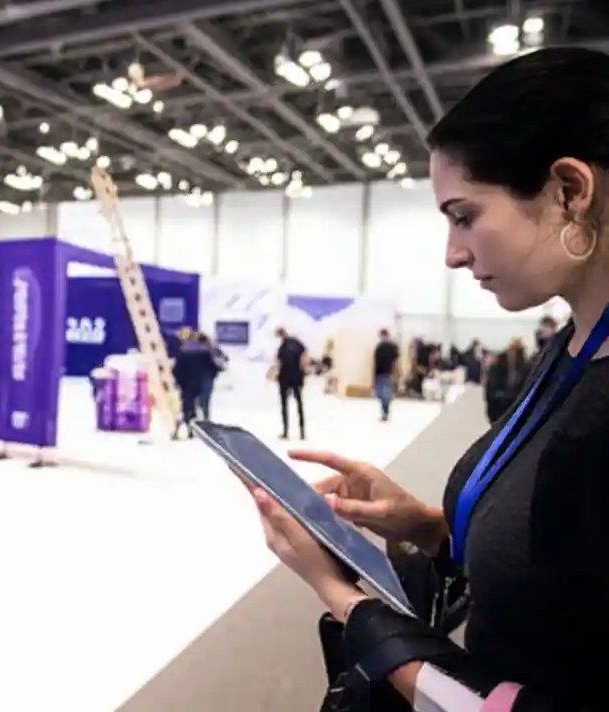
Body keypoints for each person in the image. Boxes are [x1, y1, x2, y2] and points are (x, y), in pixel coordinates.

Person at [248, 47, 609, 710]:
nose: (453, 254)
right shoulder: (572, 346)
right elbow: (568, 571)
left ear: (569, 191)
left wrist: (344, 599)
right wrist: (427, 526)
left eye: (464, 215)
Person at [484, 338, 529, 423]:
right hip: (499, 410)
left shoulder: (526, 368)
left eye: (518, 350)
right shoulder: (497, 367)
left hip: (517, 412)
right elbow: (490, 391)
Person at [273, 327, 308, 440]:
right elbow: (304, 357)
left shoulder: (282, 347)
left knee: (284, 405)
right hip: (297, 377)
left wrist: (274, 375)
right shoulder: (297, 343)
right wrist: (303, 371)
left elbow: (279, 362)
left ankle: (285, 431)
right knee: (299, 404)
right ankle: (302, 432)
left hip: (285, 378)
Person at [195, 332, 225, 422]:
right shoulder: (211, 350)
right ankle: (205, 418)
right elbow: (220, 362)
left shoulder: (194, 350)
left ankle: (199, 418)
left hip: (196, 378)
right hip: (207, 378)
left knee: (197, 400)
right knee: (205, 399)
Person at [373, 328, 400, 422]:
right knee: (381, 394)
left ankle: (385, 411)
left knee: (383, 393)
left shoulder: (389, 347)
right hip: (383, 373)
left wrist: (396, 372)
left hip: (384, 373)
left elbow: (395, 361)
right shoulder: (379, 347)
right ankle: (385, 409)